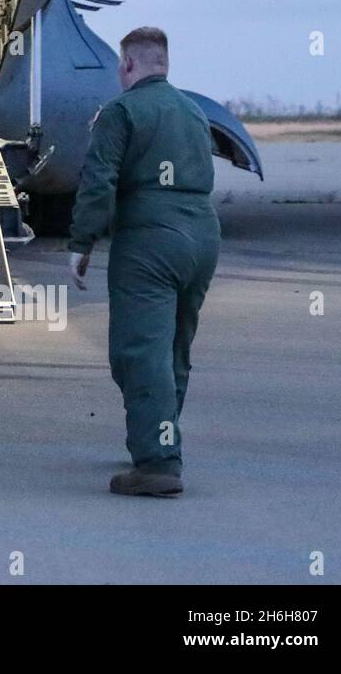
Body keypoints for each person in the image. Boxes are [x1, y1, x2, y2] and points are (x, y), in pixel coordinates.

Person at [68, 27, 221, 498]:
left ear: (129, 65)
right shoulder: (194, 111)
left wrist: (81, 242)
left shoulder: (122, 111)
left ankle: (157, 463)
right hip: (202, 235)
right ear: (164, 64)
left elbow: (99, 179)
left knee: (139, 351)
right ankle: (158, 436)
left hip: (151, 239)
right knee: (174, 346)